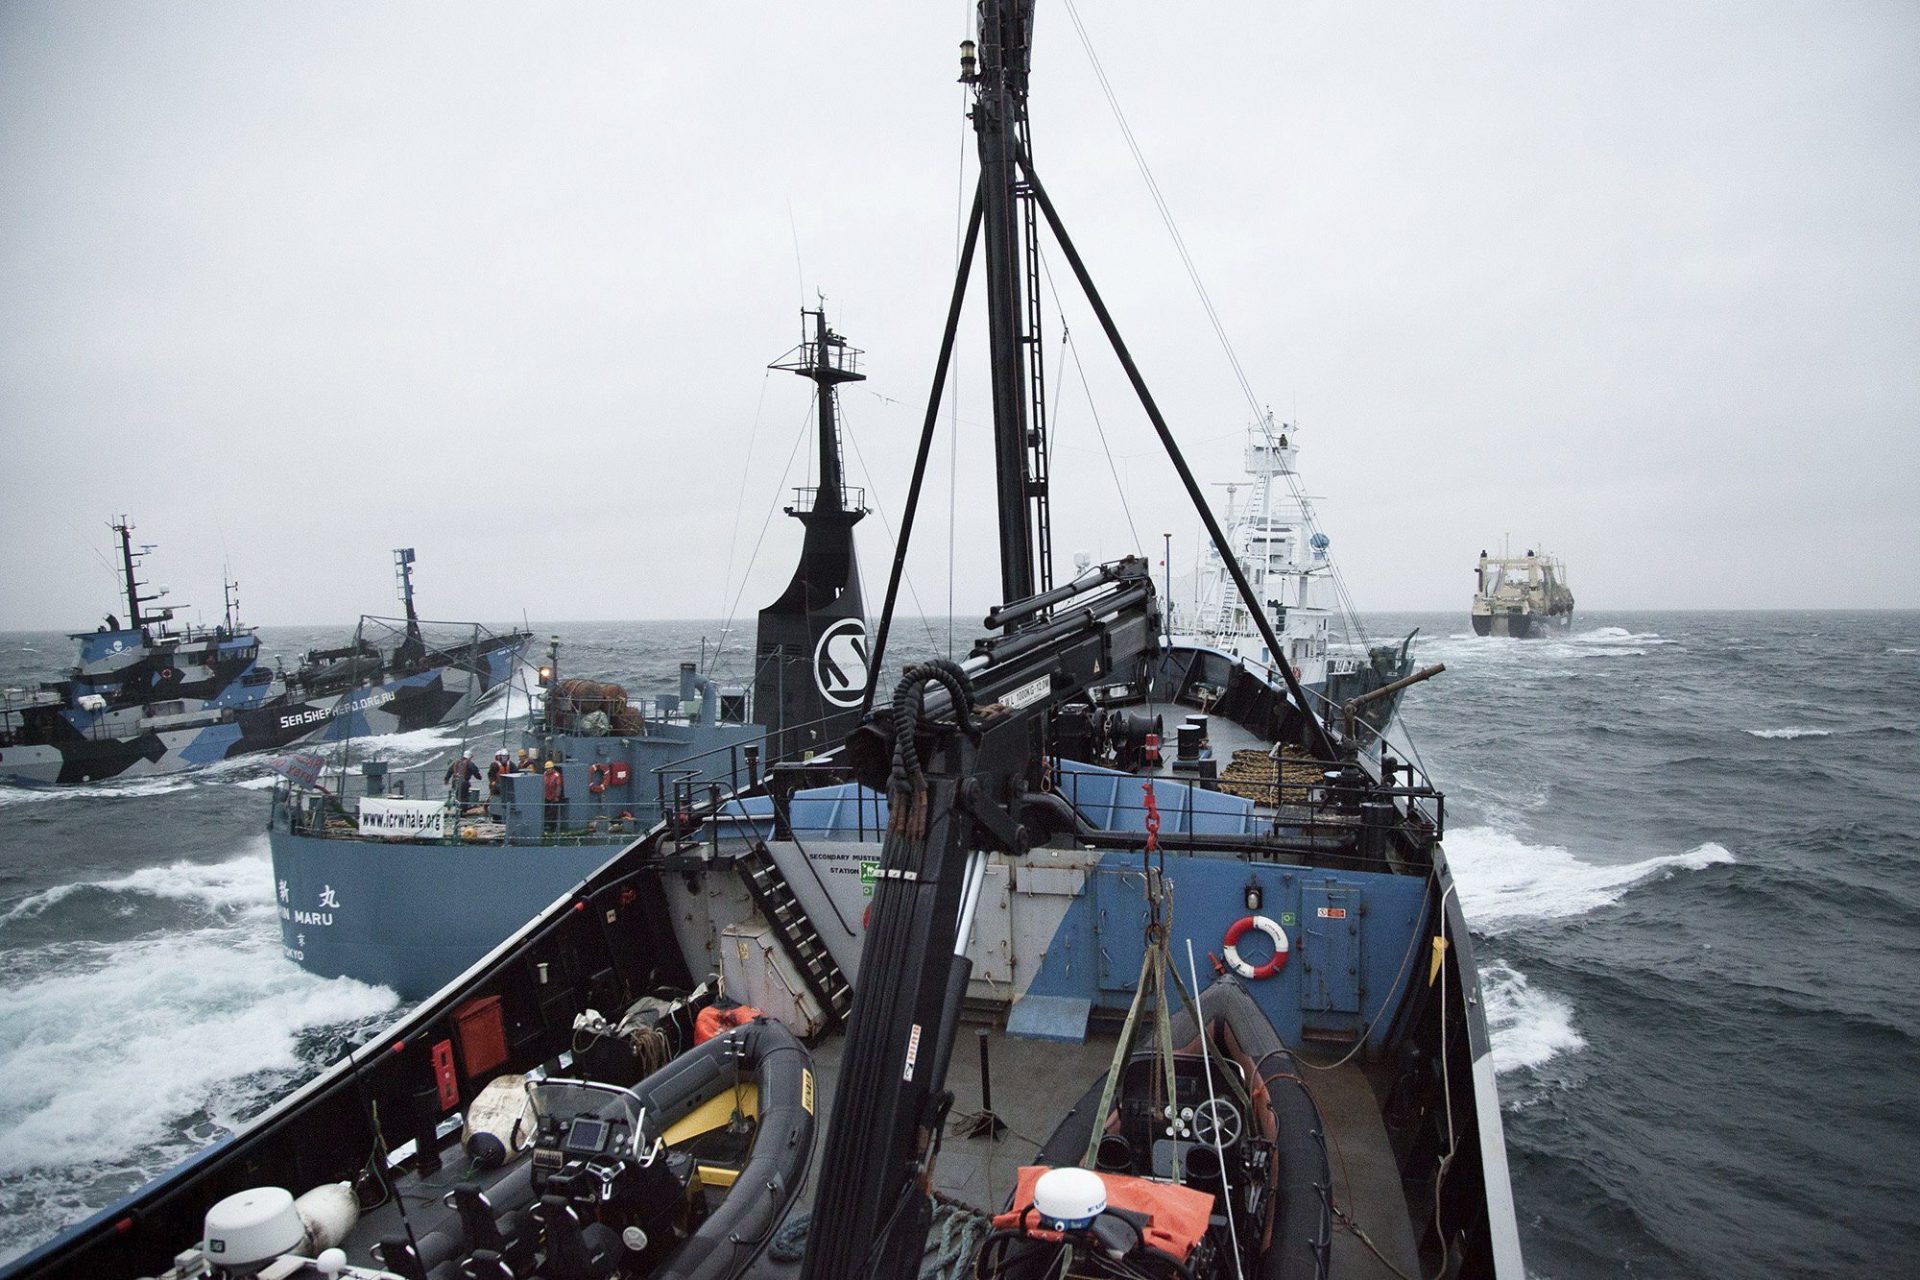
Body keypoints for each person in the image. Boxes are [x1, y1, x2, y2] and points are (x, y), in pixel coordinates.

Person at [543, 760, 564, 834]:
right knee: (546, 812)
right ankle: (546, 826)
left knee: (553, 814)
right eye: (547, 768)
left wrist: (557, 796)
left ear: (552, 768)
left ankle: (552, 829)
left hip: (554, 798)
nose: (548, 770)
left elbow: (558, 786)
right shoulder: (545, 774)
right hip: (546, 797)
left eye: (549, 768)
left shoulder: (556, 775)